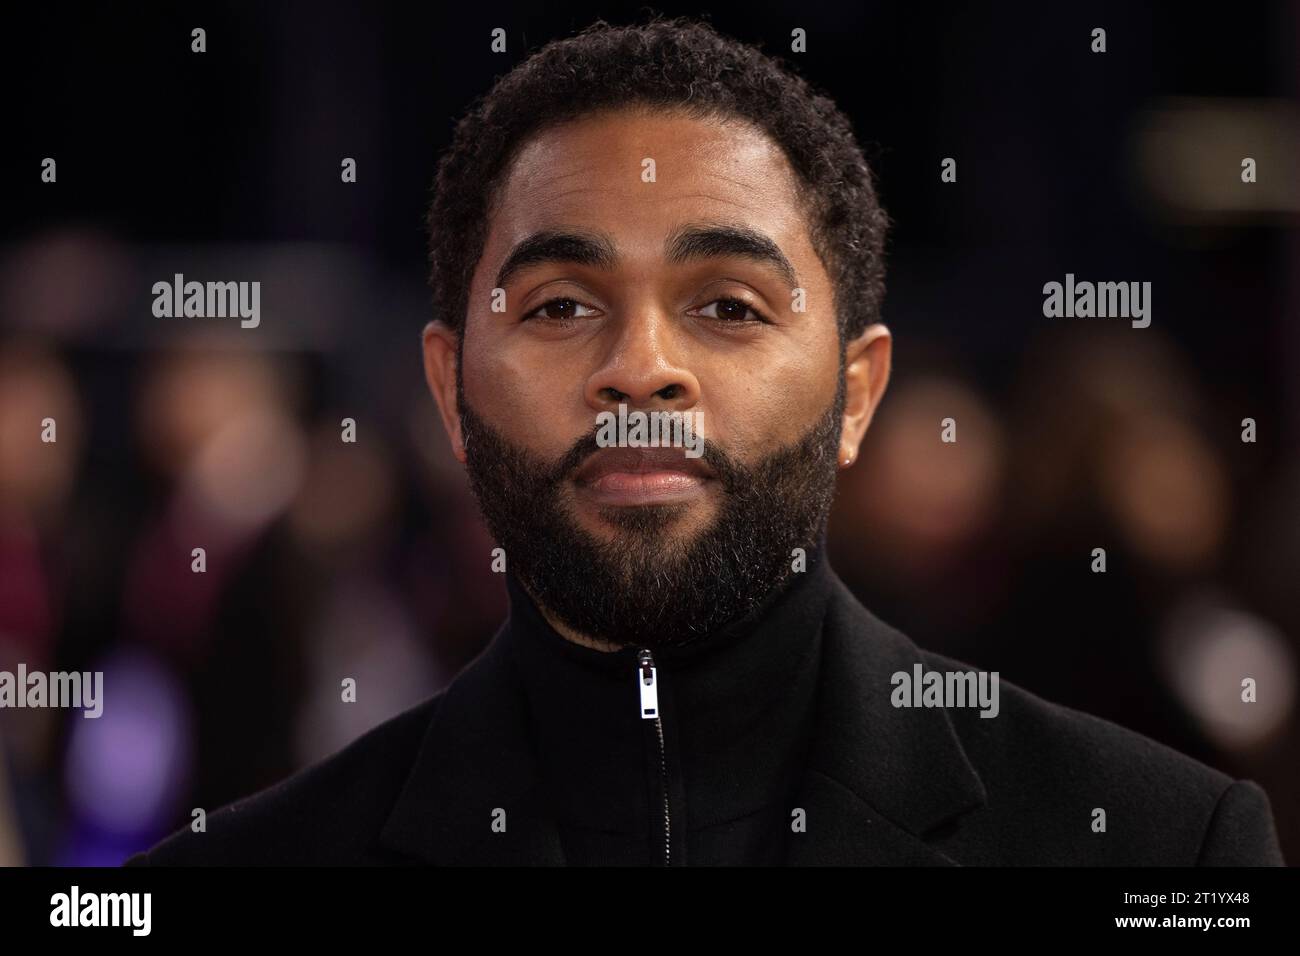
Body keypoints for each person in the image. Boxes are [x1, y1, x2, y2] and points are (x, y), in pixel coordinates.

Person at [125, 17, 1284, 866]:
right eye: (559, 306)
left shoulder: (1163, 845)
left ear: (857, 392)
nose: (641, 367)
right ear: (448, 386)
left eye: (728, 304)